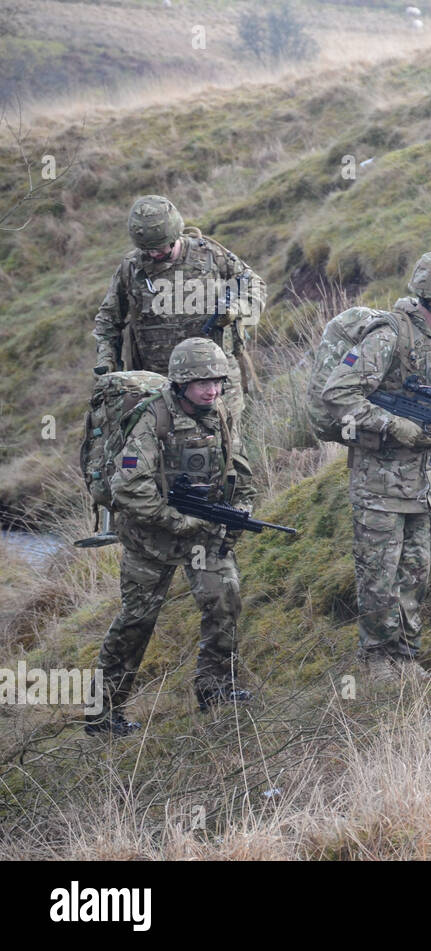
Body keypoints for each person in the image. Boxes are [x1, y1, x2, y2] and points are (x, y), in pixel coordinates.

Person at [319, 250, 431, 683]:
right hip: (378, 483)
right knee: (378, 573)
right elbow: (339, 394)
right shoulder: (387, 335)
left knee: (415, 574)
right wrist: (394, 425)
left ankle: (406, 659)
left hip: (420, 484)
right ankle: (377, 661)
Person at [87, 338, 255, 735]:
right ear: (180, 383)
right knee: (136, 622)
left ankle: (216, 688)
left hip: (204, 533)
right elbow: (128, 487)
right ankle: (103, 713)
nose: (211, 390)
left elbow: (239, 466)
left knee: (224, 599)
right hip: (150, 541)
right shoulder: (151, 418)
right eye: (201, 383)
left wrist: (241, 507)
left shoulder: (220, 414)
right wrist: (178, 521)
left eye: (216, 381)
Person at [92, 194, 263, 439]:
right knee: (163, 455)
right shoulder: (131, 268)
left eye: (160, 249)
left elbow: (255, 286)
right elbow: (108, 321)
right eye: (147, 250)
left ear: (174, 236)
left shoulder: (212, 256)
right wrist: (107, 361)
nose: (153, 255)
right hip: (158, 384)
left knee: (226, 449)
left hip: (214, 383)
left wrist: (236, 309)